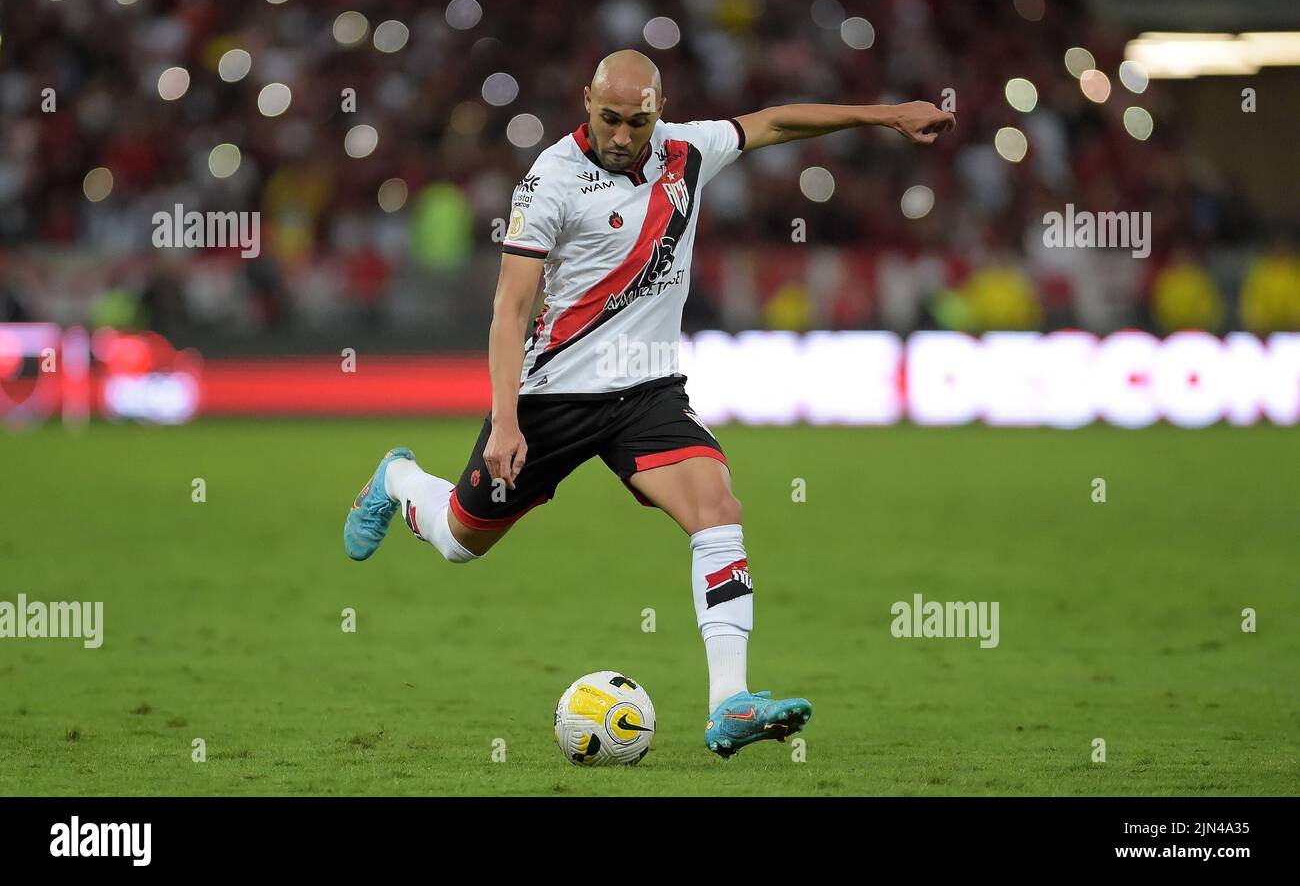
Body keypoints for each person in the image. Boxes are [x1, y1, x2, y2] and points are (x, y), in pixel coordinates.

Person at [345, 49, 954, 758]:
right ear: (585, 103)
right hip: (553, 396)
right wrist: (506, 421)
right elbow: (511, 311)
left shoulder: (686, 150)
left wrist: (884, 116)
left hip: (647, 393)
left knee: (717, 511)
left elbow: (776, 123)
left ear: (660, 110)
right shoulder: (551, 181)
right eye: (610, 118)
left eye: (638, 120)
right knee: (458, 541)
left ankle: (730, 704)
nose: (624, 135)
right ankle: (396, 478)